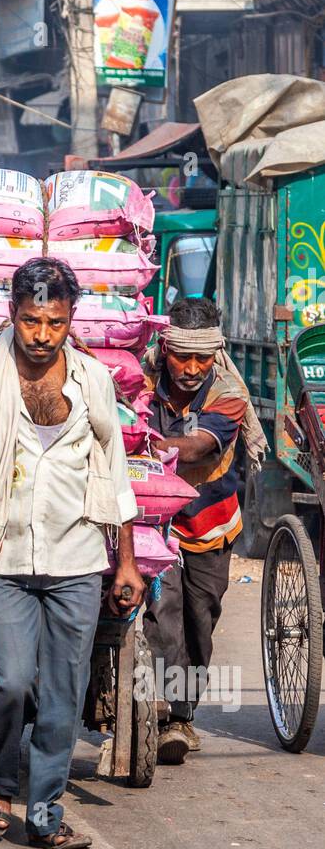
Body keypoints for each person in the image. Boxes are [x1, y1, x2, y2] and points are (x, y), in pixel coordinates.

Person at [0, 258, 144, 849]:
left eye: (54, 322)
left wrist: (125, 561)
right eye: (31, 320)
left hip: (77, 558)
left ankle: (46, 809)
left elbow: (113, 469)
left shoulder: (94, 380)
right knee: (9, 681)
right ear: (12, 313)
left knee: (62, 691)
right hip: (0, 558)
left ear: (70, 319)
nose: (41, 335)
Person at [142, 297, 265, 765]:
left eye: (202, 358)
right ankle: (164, 713)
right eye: (182, 356)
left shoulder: (228, 392)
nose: (192, 368)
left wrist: (144, 443)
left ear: (215, 354)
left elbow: (196, 448)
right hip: (155, 525)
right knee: (162, 608)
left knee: (201, 618)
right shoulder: (142, 378)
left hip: (209, 523)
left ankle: (183, 712)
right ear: (165, 346)